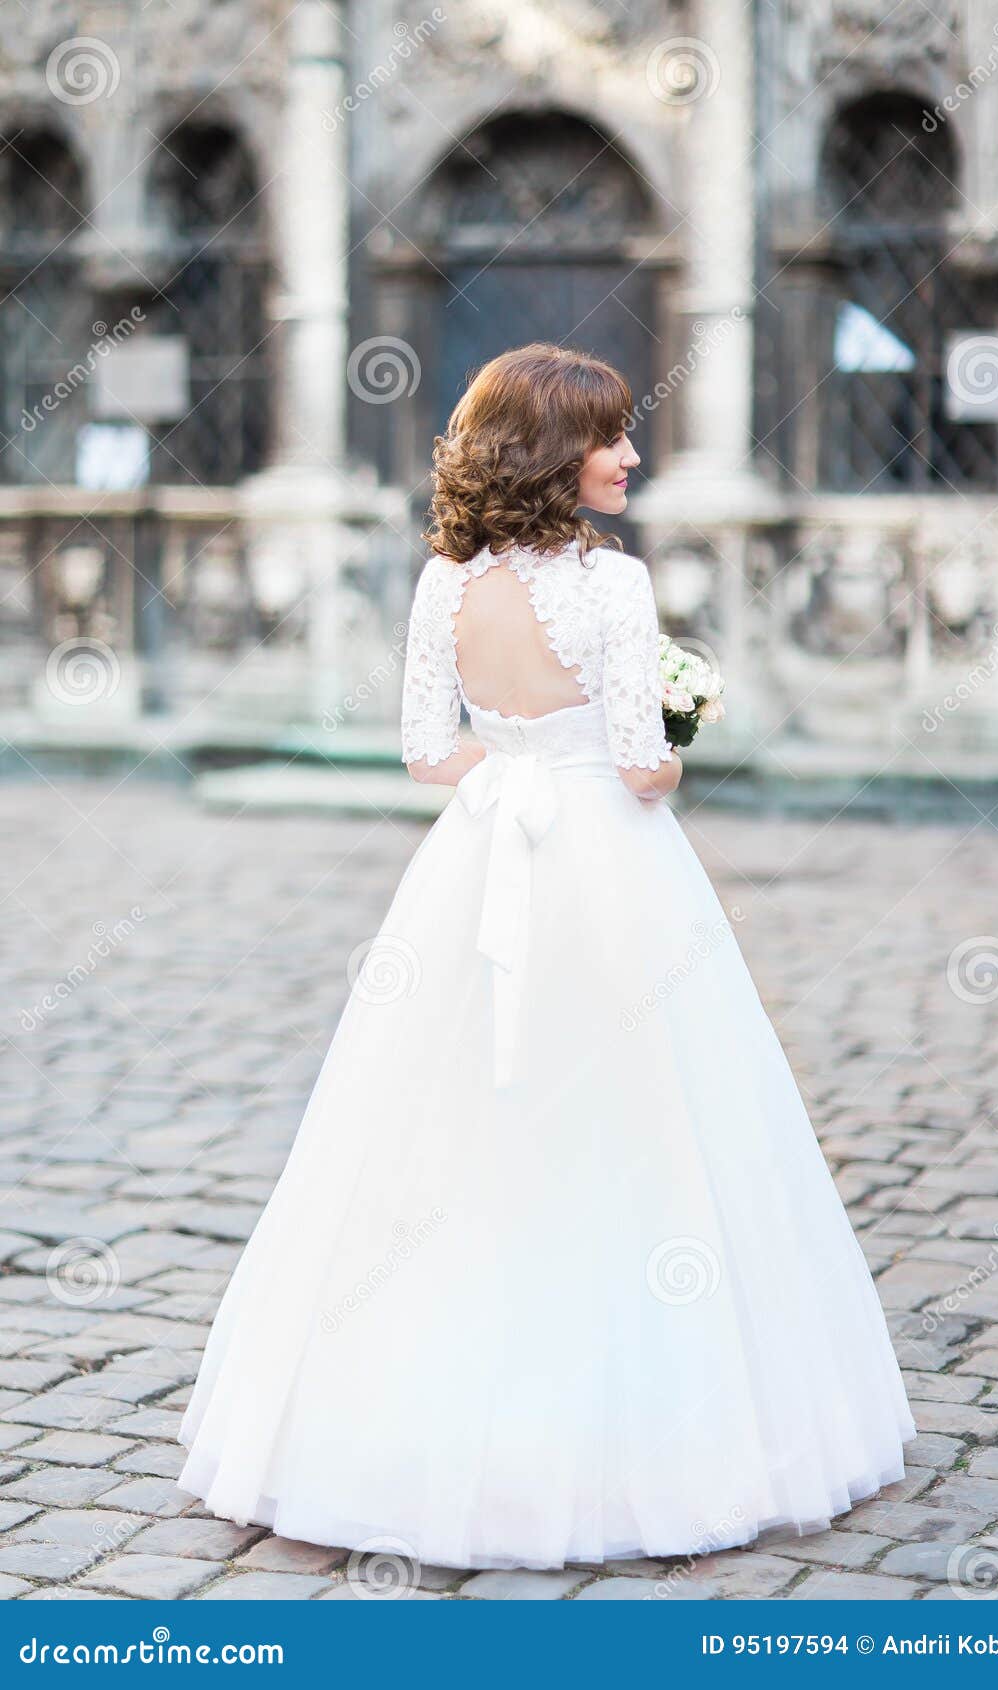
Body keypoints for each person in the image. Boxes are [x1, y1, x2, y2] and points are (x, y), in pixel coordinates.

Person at [177, 342, 916, 1574]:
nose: (630, 454)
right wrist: (671, 733)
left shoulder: (444, 583)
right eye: (609, 435)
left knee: (442, 1117)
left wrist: (517, 771)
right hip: (609, 866)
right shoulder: (611, 587)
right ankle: (650, 1423)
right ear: (549, 451)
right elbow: (639, 766)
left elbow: (426, 749)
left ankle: (381, 1417)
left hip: (476, 860)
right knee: (642, 1116)